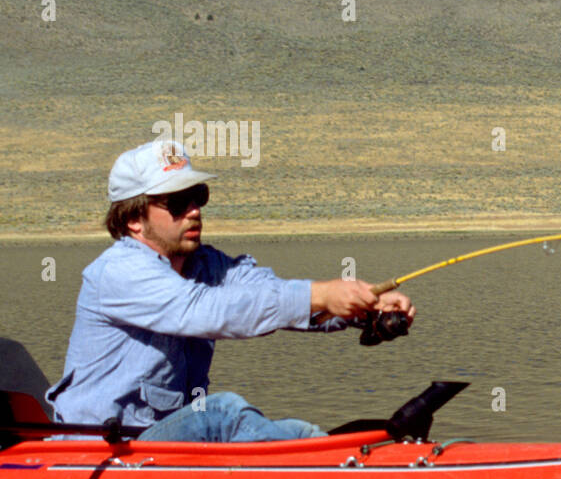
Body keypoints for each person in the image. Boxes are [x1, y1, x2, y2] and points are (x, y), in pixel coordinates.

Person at [46, 140, 415, 442]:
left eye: (198, 195)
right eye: (177, 202)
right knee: (221, 413)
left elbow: (267, 292)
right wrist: (319, 294)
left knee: (300, 433)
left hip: (164, 443)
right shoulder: (118, 272)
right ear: (133, 219)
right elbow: (207, 310)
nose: (194, 211)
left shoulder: (208, 264)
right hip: (98, 449)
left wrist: (366, 305)